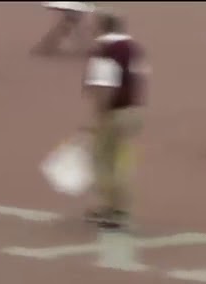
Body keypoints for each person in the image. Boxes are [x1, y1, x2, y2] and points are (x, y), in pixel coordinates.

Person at [83, 13, 146, 230]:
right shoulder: (133, 47)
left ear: (101, 28)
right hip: (134, 110)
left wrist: (100, 118)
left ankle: (115, 210)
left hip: (114, 112)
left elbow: (104, 87)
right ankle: (113, 207)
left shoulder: (103, 51)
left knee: (102, 162)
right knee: (118, 160)